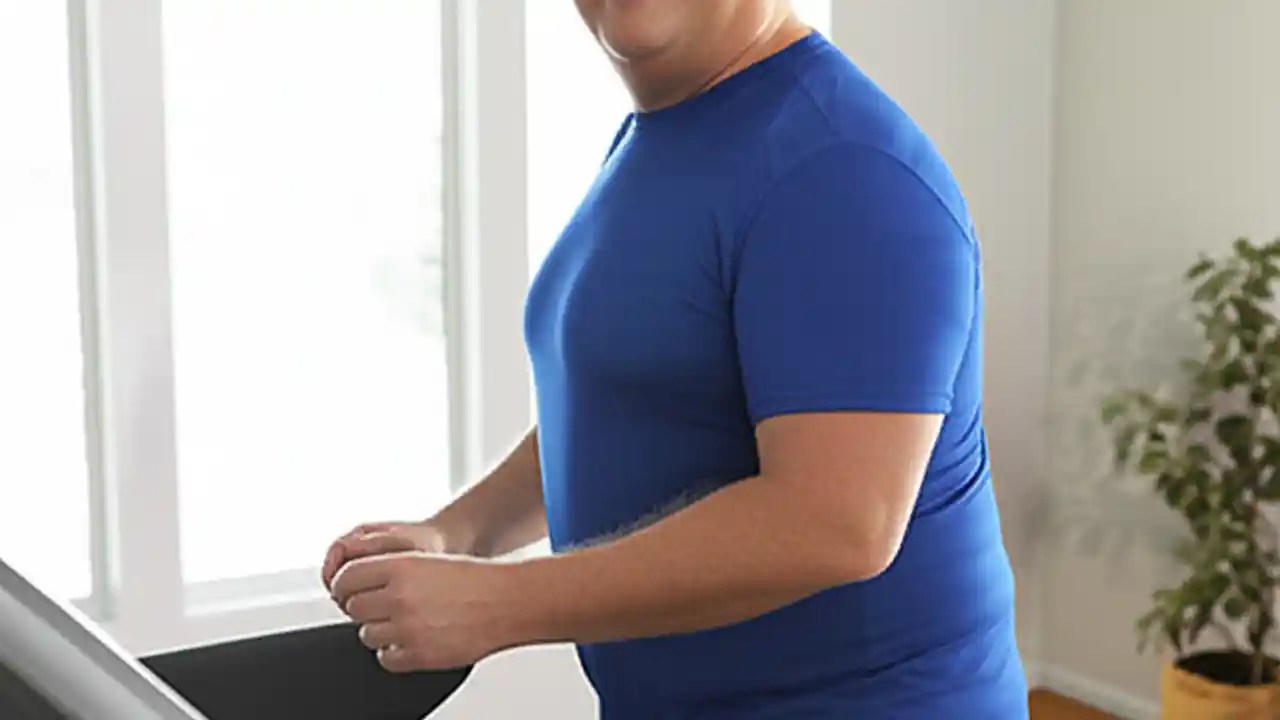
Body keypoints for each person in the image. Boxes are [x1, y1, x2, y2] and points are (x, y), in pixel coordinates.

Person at [322, 1, 1028, 717]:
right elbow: (632, 398)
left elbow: (837, 522)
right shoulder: (671, 132)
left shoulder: (844, 167)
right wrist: (462, 532)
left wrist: (502, 604)